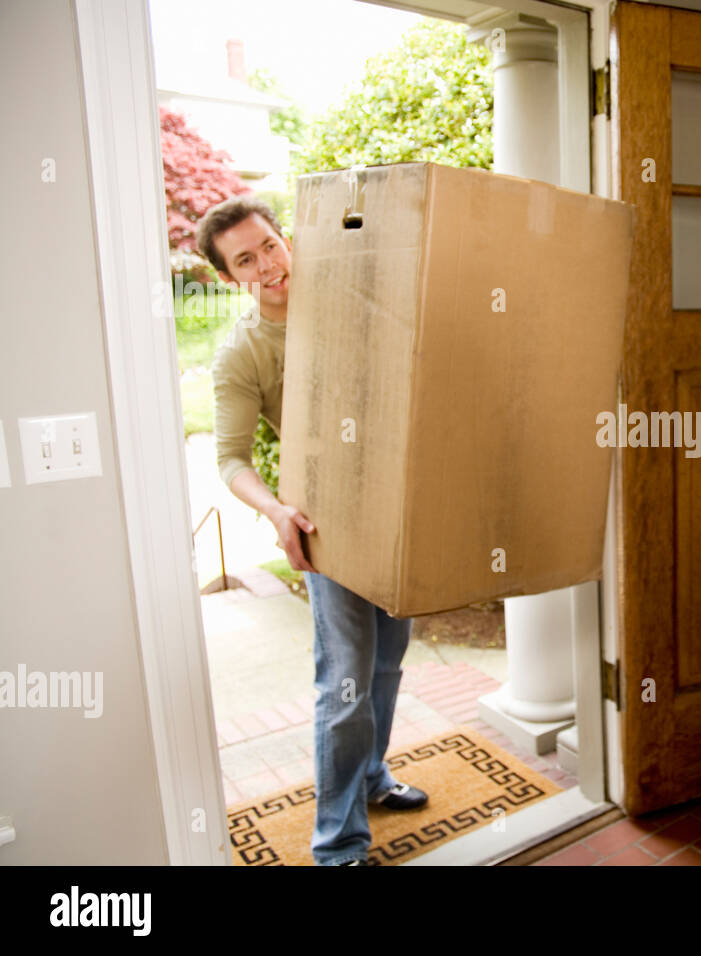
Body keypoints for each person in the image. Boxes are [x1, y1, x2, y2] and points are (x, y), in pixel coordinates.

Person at [196, 196, 428, 866]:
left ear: (285, 238)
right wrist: (274, 511)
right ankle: (338, 844)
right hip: (327, 523)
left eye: (268, 244)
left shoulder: (350, 303)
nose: (266, 263)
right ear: (228, 277)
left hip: (393, 504)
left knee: (386, 660)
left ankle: (375, 778)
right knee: (344, 683)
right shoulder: (242, 353)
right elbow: (230, 457)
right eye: (245, 259)